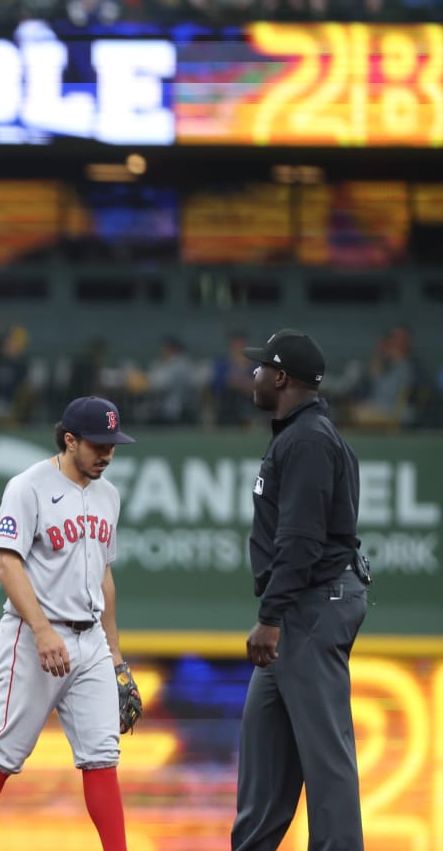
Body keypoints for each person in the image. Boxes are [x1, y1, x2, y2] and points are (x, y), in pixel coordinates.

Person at [0, 395, 140, 851]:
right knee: (5, 753)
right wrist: (40, 629)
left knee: (102, 756)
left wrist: (115, 657)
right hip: (33, 635)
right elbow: (7, 565)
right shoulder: (28, 486)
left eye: (112, 443)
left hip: (90, 637)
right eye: (97, 444)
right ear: (70, 440)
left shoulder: (108, 495)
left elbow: (104, 579)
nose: (107, 453)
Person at [234, 328, 370, 851]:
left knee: (326, 761)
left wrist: (271, 616)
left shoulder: (309, 440)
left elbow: (301, 541)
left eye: (260, 367)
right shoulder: (298, 435)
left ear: (282, 377)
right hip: (297, 610)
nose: (254, 375)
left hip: (310, 607)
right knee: (265, 754)